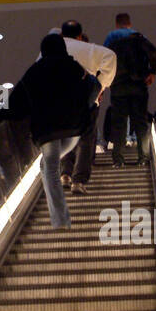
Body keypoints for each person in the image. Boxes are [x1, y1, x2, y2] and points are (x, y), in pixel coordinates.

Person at [2, 33, 97, 228]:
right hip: (74, 130)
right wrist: (85, 108)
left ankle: (60, 219)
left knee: (50, 167)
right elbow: (93, 87)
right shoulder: (75, 67)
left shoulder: (35, 70)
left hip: (47, 131)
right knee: (47, 166)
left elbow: (16, 100)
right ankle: (61, 217)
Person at [54, 20, 116, 194]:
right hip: (86, 101)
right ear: (80, 35)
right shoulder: (90, 49)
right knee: (86, 140)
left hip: (60, 102)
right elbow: (110, 56)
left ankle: (65, 174)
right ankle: (78, 181)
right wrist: (100, 85)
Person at [102, 12, 156, 167]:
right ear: (129, 23)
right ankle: (143, 158)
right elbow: (154, 53)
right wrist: (152, 73)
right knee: (140, 122)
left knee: (119, 123)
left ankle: (118, 160)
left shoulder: (112, 36)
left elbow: (104, 59)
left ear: (116, 24)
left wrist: (104, 83)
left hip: (118, 85)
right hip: (138, 84)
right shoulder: (139, 37)